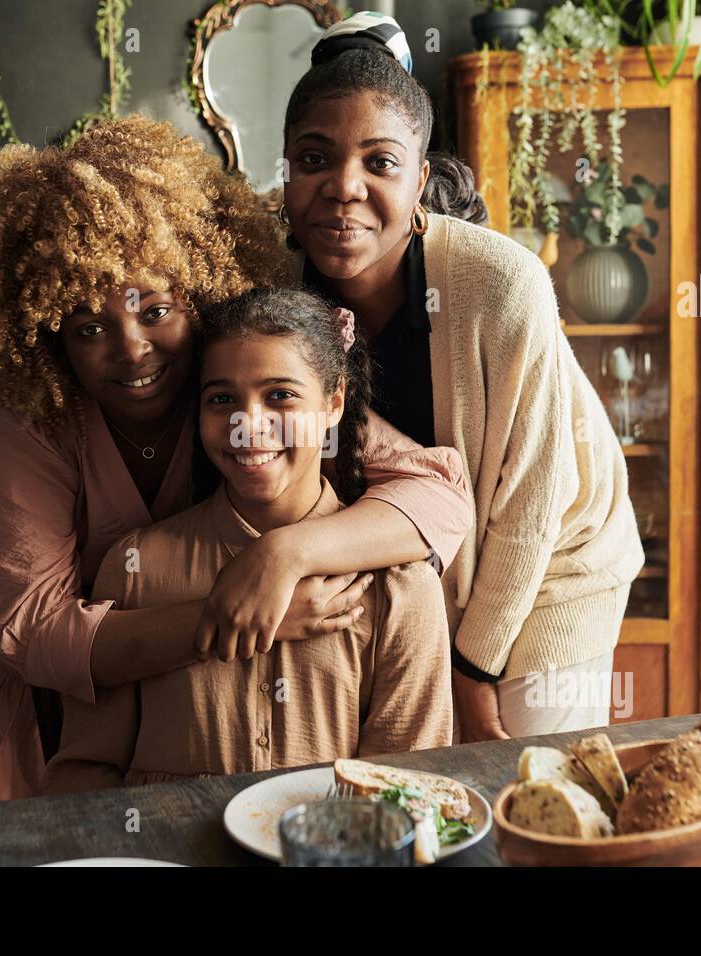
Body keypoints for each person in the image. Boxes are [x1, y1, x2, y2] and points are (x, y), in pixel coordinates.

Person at [0, 116, 472, 807]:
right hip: (20, 671)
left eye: (155, 310)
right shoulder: (29, 410)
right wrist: (231, 614)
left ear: (202, 293)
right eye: (89, 327)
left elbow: (440, 495)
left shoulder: (230, 383)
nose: (133, 350)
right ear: (47, 335)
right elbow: (30, 629)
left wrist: (284, 558)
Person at [279, 13, 645, 739]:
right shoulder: (278, 292)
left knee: (530, 792)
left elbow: (536, 497)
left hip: (553, 565)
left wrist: (475, 671)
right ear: (284, 171)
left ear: (419, 180)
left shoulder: (500, 283)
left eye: (379, 163)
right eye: (315, 159)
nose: (343, 187)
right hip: (420, 570)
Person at [44, 288, 453, 791]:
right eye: (222, 399)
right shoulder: (135, 566)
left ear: (334, 402)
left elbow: (402, 791)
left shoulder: (403, 588)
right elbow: (87, 768)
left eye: (280, 395)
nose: (246, 424)